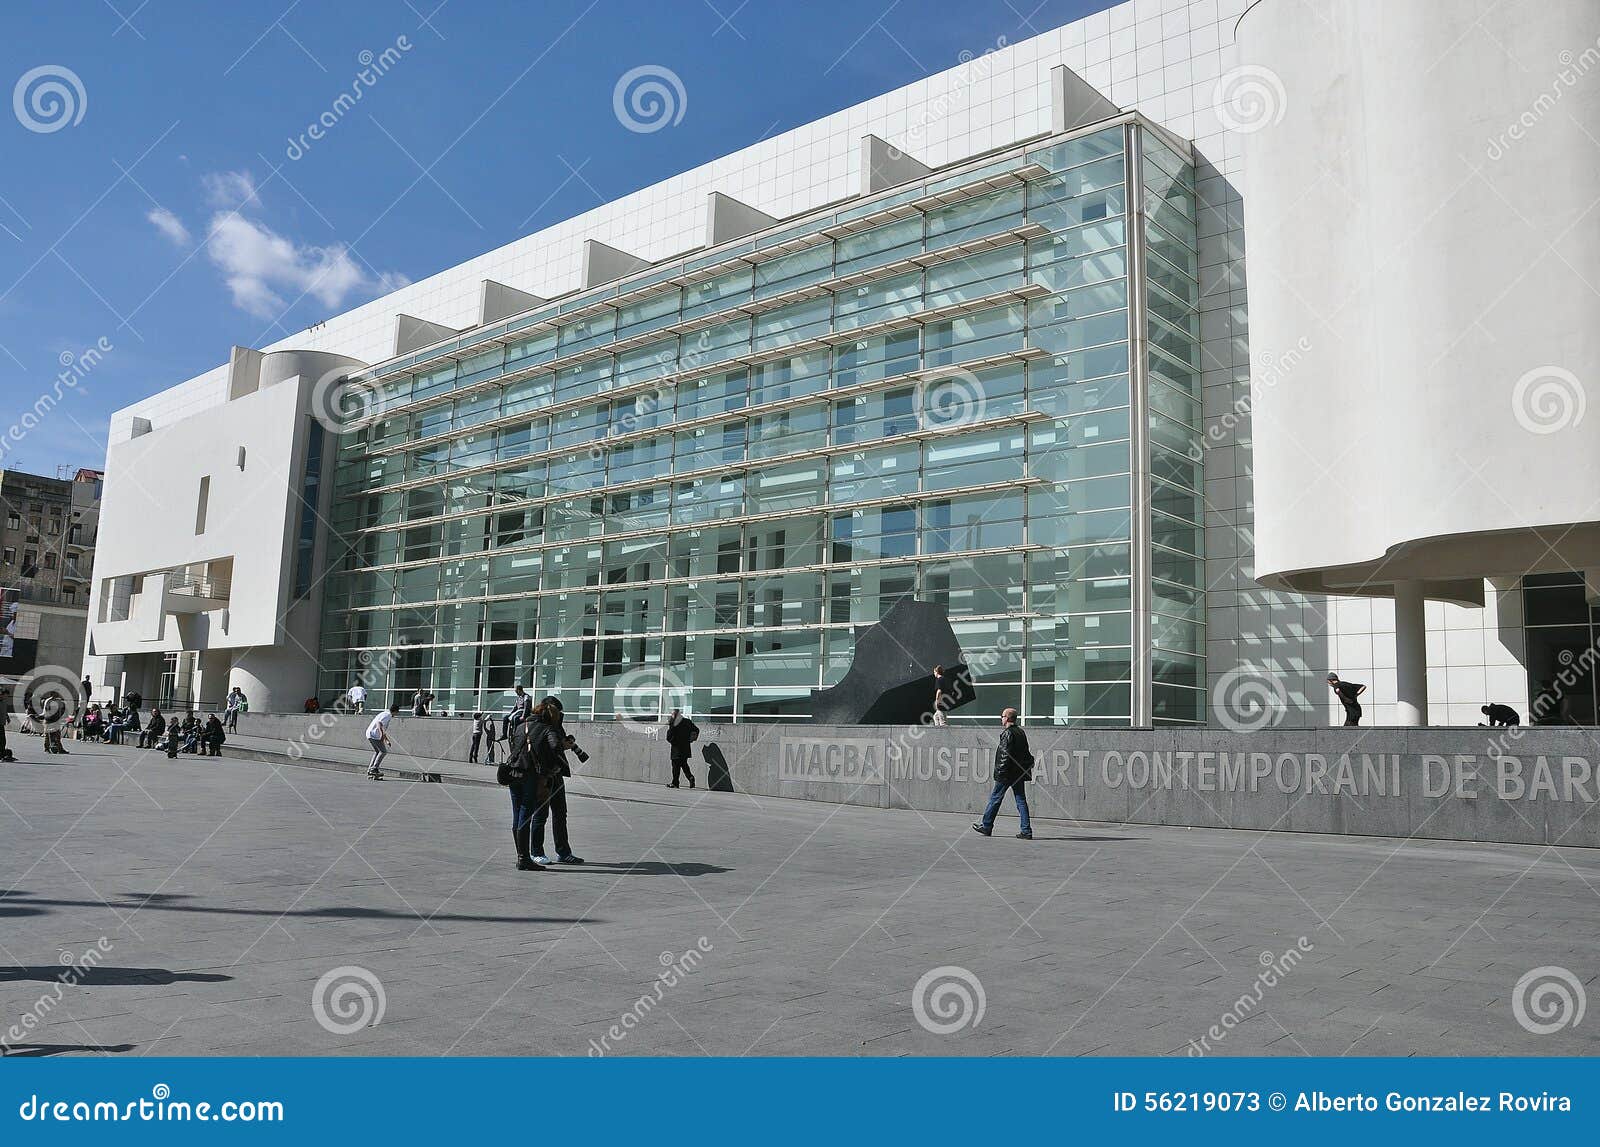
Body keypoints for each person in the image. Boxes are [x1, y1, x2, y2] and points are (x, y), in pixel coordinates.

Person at [528, 696, 584, 866]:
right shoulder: (535, 725)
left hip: (556, 774)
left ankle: (564, 852)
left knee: (560, 814)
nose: (559, 715)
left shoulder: (556, 726)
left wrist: (565, 741)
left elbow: (557, 746)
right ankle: (536, 852)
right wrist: (562, 745)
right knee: (540, 815)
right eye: (558, 712)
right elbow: (543, 749)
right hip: (541, 776)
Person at [972, 707, 1033, 840]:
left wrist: (1000, 772)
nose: (1001, 719)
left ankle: (986, 826)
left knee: (995, 798)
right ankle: (1026, 830)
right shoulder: (1021, 732)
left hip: (1006, 773)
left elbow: (1005, 755)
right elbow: (1026, 753)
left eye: (1002, 716)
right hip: (1018, 773)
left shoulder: (1008, 733)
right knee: (1021, 800)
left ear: (1008, 718)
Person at [664, 707, 698, 788]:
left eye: (672, 714)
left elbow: (669, 736)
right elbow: (696, 729)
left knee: (675, 766)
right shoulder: (687, 721)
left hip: (676, 748)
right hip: (686, 747)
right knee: (683, 764)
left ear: (674, 715)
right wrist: (691, 739)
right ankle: (690, 777)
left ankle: (675, 783)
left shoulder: (673, 723)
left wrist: (673, 742)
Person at [366, 702, 400, 779]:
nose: (396, 715)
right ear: (395, 711)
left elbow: (383, 728)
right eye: (397, 713)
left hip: (370, 733)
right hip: (374, 734)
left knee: (377, 752)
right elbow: (379, 723)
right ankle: (374, 768)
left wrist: (386, 740)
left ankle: (370, 770)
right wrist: (381, 734)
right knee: (383, 751)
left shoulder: (384, 713)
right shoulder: (388, 715)